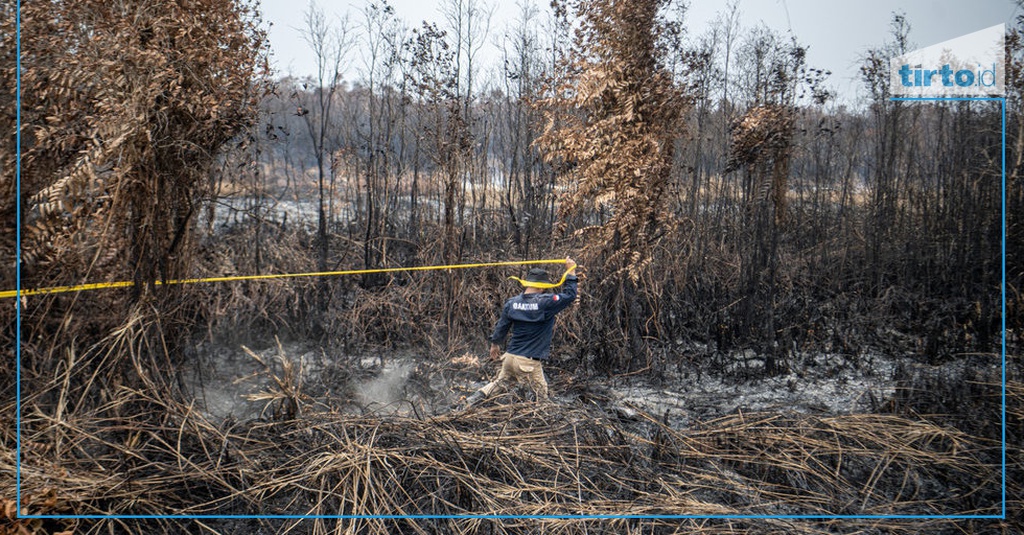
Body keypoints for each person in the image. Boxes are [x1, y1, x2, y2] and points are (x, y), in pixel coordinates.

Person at [464, 257, 578, 407]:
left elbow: (502, 326)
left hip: (510, 358)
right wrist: (571, 271)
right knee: (541, 399)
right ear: (542, 287)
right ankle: (541, 426)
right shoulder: (545, 302)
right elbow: (570, 295)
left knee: (498, 385)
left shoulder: (512, 303)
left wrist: (495, 345)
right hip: (527, 362)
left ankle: (470, 402)